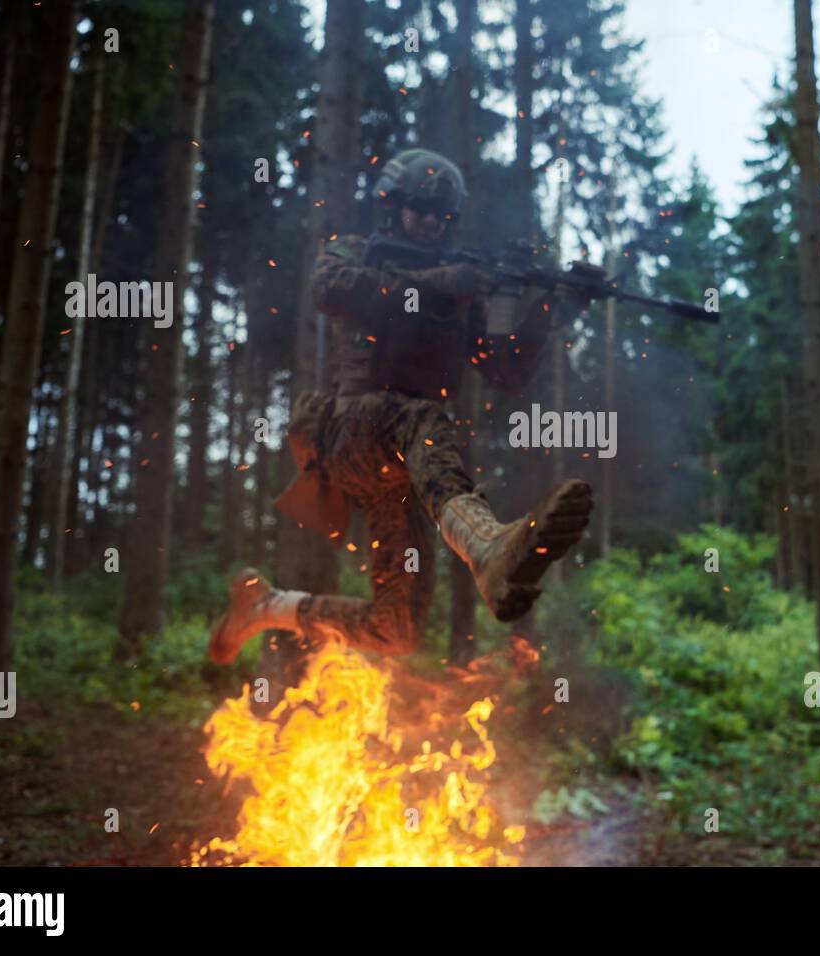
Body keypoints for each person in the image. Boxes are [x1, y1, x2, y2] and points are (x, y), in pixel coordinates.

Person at [208, 148, 592, 665]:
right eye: (419, 208)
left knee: (398, 628)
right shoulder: (354, 251)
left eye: (440, 215)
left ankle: (266, 606)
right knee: (427, 419)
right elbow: (330, 288)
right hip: (351, 433)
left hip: (409, 472)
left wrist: (554, 307)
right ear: (392, 206)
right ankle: (484, 545)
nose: (429, 221)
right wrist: (437, 283)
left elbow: (506, 371)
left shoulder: (460, 289)